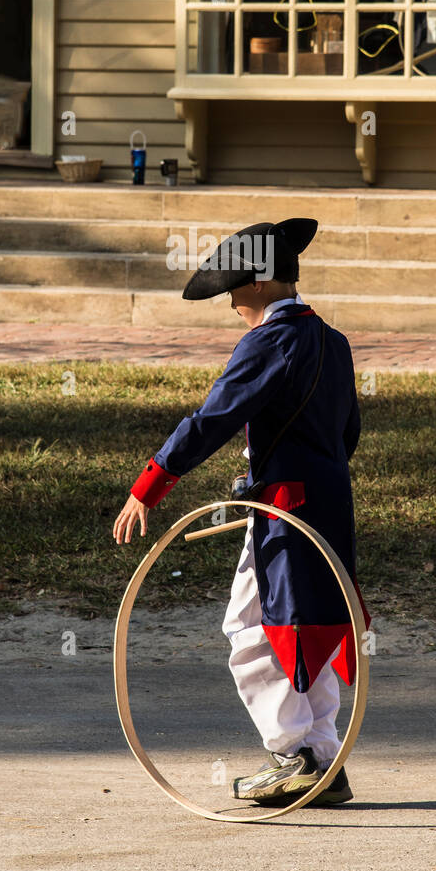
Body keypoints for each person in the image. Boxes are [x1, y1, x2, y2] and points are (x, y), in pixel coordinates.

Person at [113, 218, 368, 806]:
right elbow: (345, 433)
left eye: (234, 290)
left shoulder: (270, 340)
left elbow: (211, 420)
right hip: (328, 507)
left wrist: (149, 486)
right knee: (312, 630)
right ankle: (324, 760)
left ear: (258, 283)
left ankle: (294, 756)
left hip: (285, 515)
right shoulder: (333, 341)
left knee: (257, 631)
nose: (231, 305)